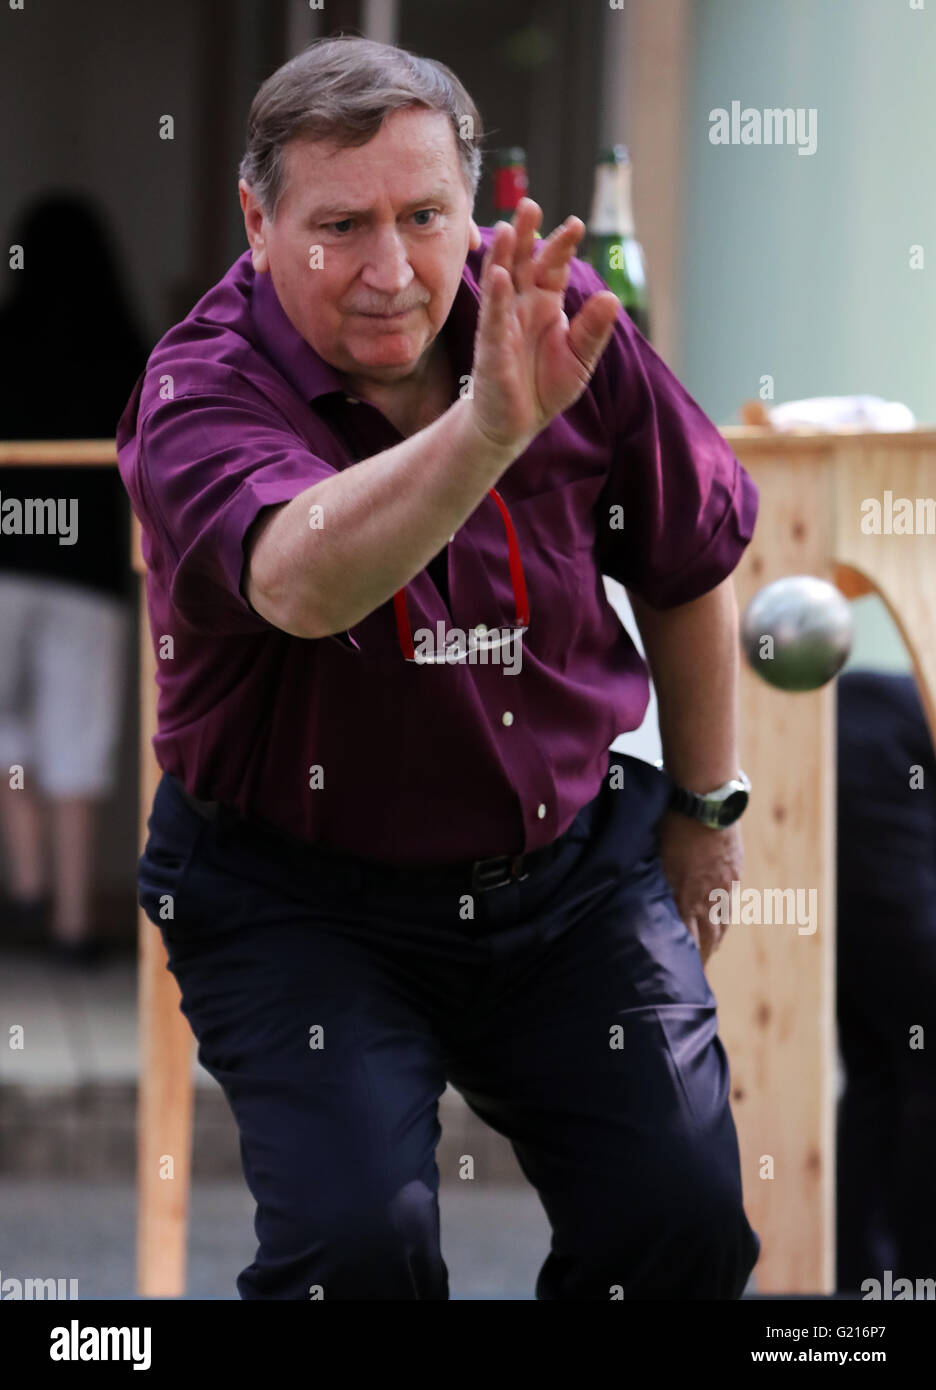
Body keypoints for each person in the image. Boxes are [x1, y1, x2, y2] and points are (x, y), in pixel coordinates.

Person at [119, 36, 761, 1299]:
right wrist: (487, 431)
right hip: (297, 894)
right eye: (339, 225)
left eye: (424, 216)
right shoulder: (201, 386)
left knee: (679, 1223)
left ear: (476, 205)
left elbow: (688, 557)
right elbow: (305, 581)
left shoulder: (558, 326)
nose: (390, 270)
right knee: (358, 1255)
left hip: (569, 875)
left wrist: (704, 808)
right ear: (257, 220)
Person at [0, 192, 148, 966]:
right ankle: (69, 923)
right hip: (88, 570)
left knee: (6, 732)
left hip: (4, 560)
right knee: (76, 746)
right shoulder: (127, 348)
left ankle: (23, 888)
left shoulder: (5, 334)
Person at [835, 667, 936, 1291]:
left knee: (874, 1083)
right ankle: (921, 1273)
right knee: (922, 1091)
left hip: (843, 934)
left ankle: (858, 1272)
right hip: (912, 928)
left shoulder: (857, 698)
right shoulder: (910, 705)